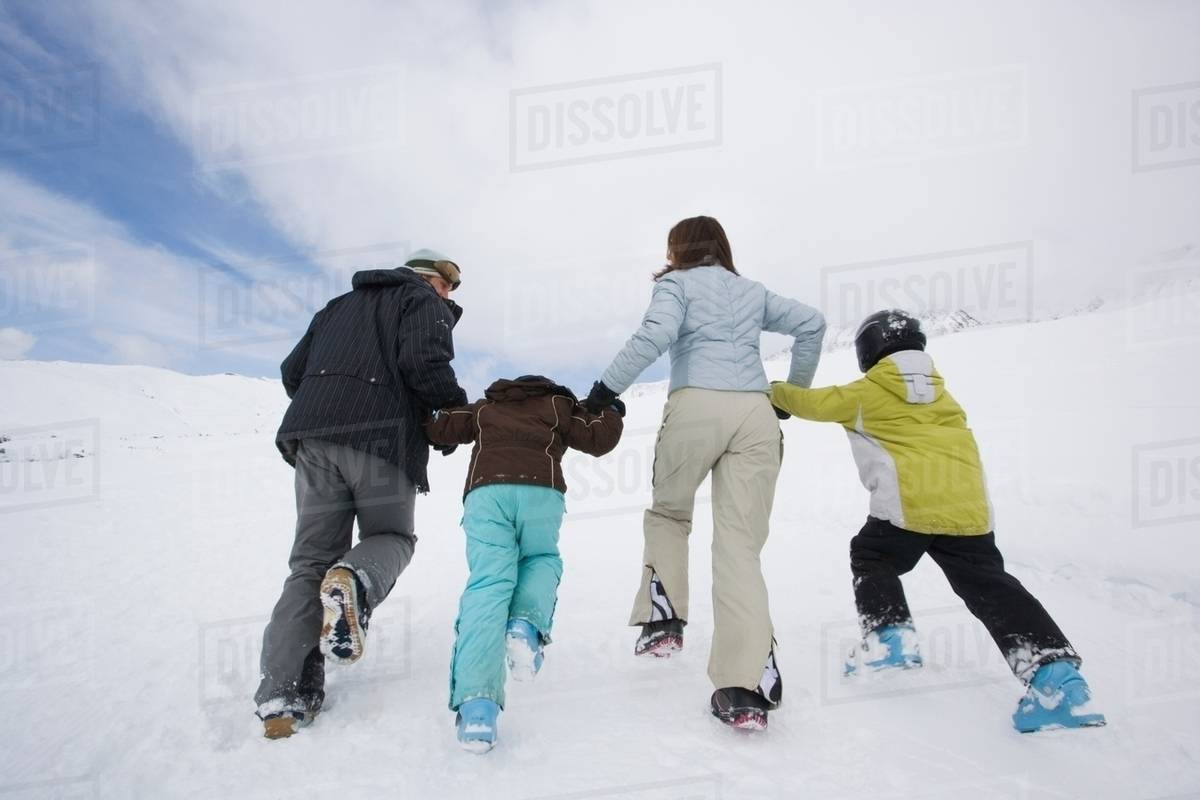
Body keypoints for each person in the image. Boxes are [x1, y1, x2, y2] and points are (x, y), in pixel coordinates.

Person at [770, 309, 1106, 733]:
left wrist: (773, 392)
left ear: (868, 352)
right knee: (991, 587)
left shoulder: (866, 392)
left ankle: (888, 639)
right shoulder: (944, 395)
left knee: (872, 555)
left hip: (909, 506)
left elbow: (807, 403)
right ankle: (1057, 680)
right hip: (969, 509)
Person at [584, 215, 826, 730]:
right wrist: (789, 396)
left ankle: (663, 619)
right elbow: (812, 323)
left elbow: (656, 335)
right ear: (722, 246)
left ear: (677, 250)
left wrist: (603, 392)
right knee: (740, 546)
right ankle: (745, 688)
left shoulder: (676, 284)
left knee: (670, 514)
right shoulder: (753, 291)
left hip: (695, 405)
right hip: (756, 415)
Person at [255, 249, 468, 739]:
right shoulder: (423, 303)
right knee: (393, 536)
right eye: (449, 286)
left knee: (309, 562)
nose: (450, 296)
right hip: (382, 440)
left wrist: (327, 406)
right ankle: (355, 580)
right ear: (430, 280)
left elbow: (293, 371)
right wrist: (452, 420)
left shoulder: (334, 308)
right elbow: (424, 364)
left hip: (313, 440)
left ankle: (283, 697)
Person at [425, 375, 625, 752]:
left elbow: (441, 427)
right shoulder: (558, 406)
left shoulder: (487, 408)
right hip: (540, 491)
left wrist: (431, 411)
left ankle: (477, 709)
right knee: (540, 558)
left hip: (487, 493)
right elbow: (599, 439)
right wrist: (613, 410)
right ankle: (526, 625)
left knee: (489, 584)